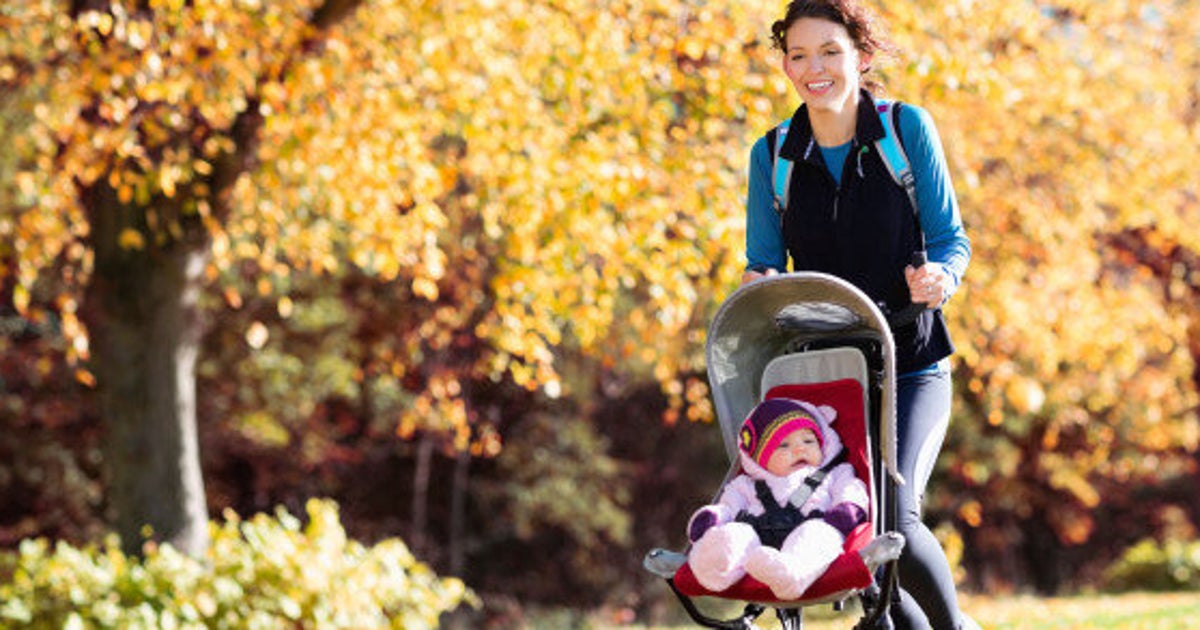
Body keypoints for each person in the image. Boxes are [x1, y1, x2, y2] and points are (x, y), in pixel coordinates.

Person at [741, 0, 974, 627]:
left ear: (861, 58)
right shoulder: (773, 157)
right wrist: (758, 284)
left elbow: (952, 239)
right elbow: (763, 261)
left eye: (829, 51)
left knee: (894, 517)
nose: (813, 67)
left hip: (914, 364)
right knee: (857, 540)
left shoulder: (906, 130)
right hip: (826, 378)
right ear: (785, 64)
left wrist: (939, 278)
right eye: (798, 54)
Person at [686, 398, 904, 600]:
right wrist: (713, 517)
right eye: (783, 445)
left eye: (809, 440)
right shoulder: (747, 485)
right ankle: (713, 567)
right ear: (760, 460)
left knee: (817, 535)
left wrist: (847, 509)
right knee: (734, 535)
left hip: (813, 531)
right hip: (756, 545)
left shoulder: (835, 473)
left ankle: (791, 574)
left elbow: (851, 490)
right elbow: (728, 506)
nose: (800, 448)